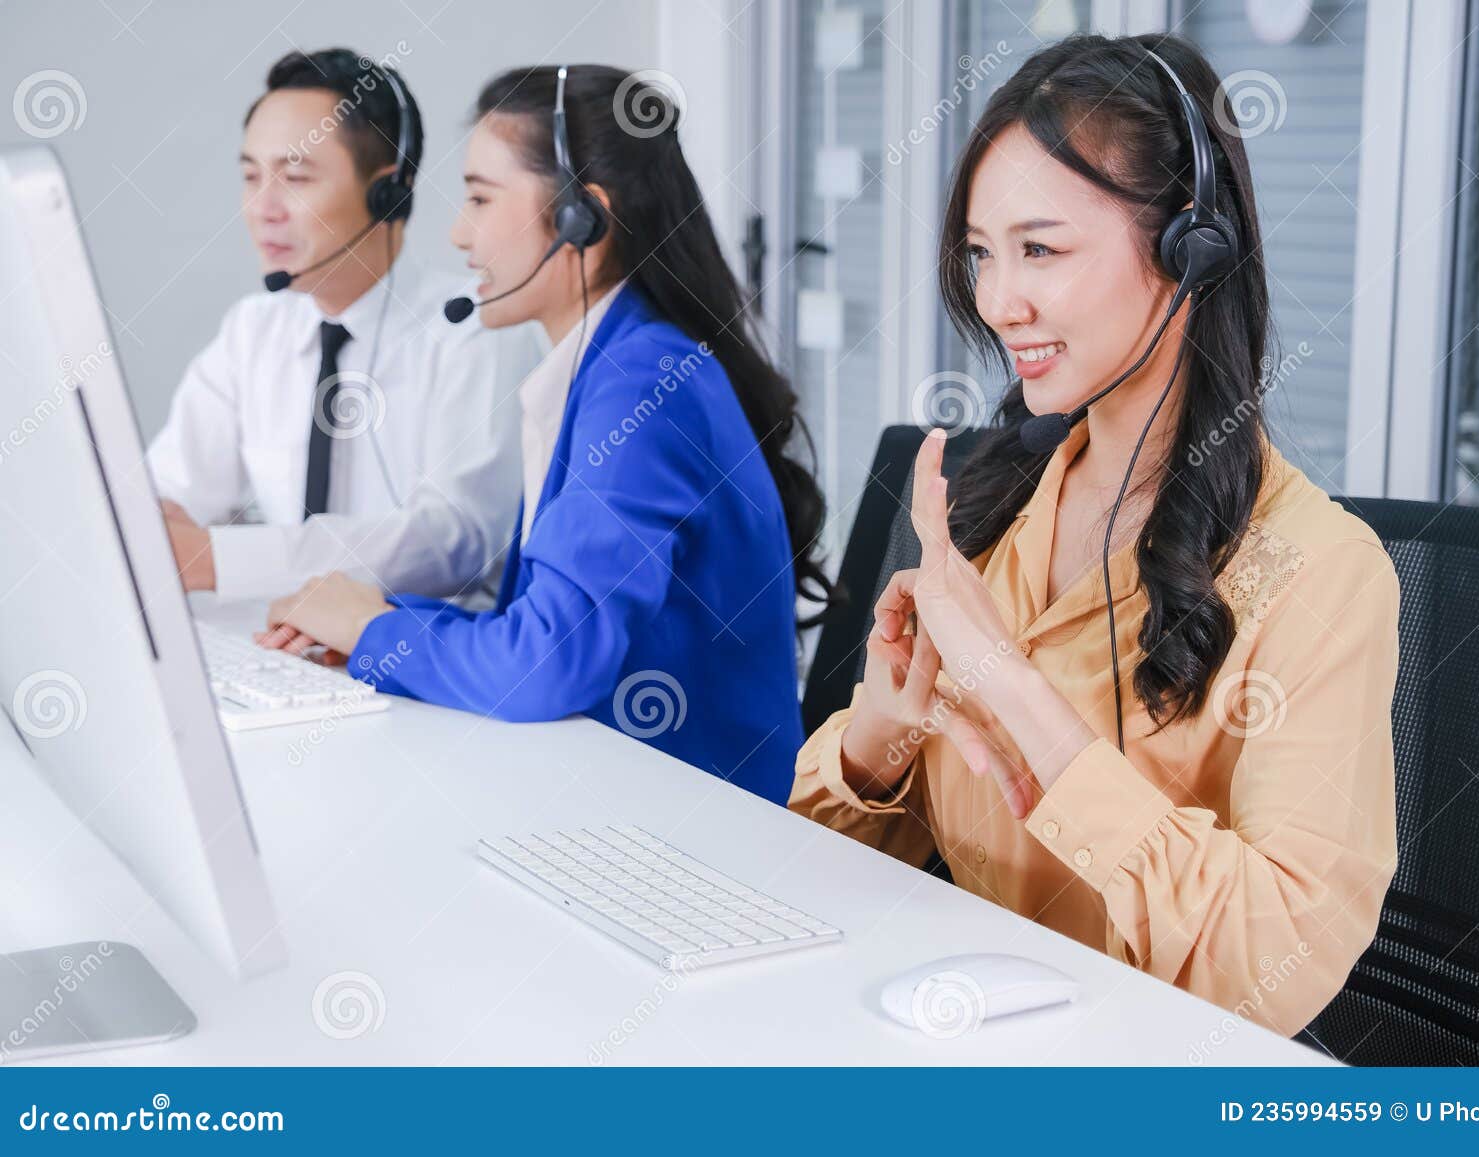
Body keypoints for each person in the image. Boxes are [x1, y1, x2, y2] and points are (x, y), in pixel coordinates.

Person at [790, 33, 1400, 1038]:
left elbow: (1271, 971)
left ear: (1188, 250)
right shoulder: (992, 508)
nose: (996, 301)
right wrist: (878, 740)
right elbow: (821, 870)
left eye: (1040, 248)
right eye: (982, 254)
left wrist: (1005, 678)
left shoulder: (1320, 575)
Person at [256, 65, 835, 805]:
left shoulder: (642, 384)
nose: (459, 234)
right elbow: (536, 626)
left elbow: (549, 662)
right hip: (627, 794)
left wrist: (375, 632)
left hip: (703, 830)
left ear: (580, 221)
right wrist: (379, 619)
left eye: (479, 198)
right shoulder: (612, 362)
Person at [147, 48, 531, 604]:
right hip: (283, 653)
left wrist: (216, 559)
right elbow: (168, 491)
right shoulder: (252, 330)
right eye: (251, 176)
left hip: (417, 669)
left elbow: (455, 541)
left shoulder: (474, 326)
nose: (262, 208)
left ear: (388, 192)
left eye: (295, 177)